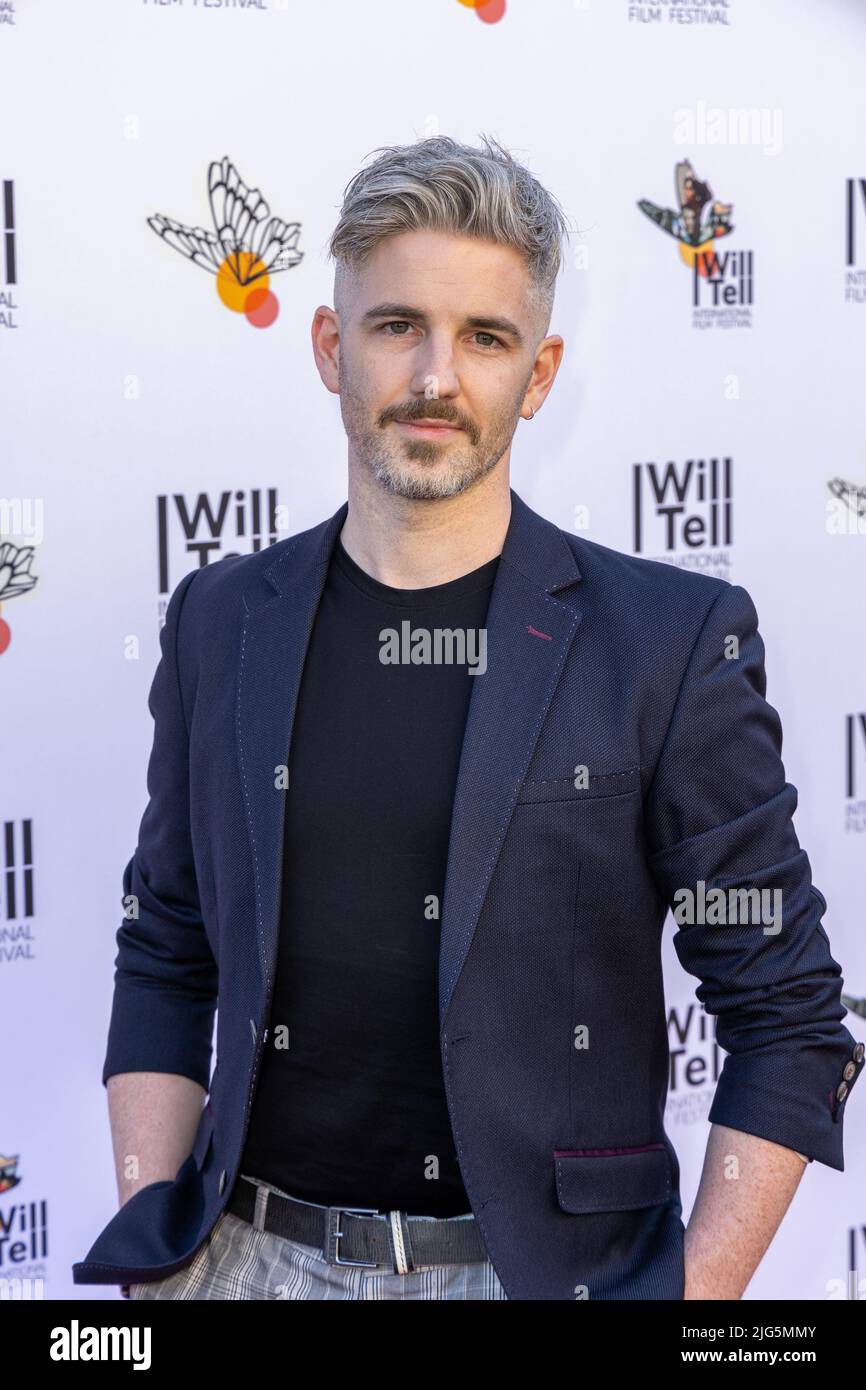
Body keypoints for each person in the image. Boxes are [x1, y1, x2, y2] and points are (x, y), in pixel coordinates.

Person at [73, 135, 863, 1301]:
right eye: (396, 326)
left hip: (538, 1278)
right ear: (332, 349)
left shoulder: (665, 640)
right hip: (242, 1264)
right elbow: (168, 939)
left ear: (536, 374)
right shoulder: (222, 619)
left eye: (483, 337)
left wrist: (692, 1306)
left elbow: (788, 1012)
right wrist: (157, 1239)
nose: (435, 376)